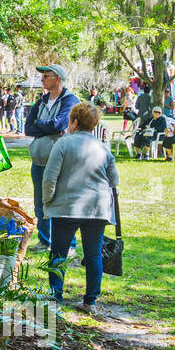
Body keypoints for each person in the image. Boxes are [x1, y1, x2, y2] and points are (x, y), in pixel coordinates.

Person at [41, 102, 119, 315]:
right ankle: (90, 300)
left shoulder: (63, 144)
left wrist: (47, 201)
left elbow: (50, 177)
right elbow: (114, 180)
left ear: (74, 122)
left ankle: (55, 296)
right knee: (94, 254)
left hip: (67, 206)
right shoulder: (103, 148)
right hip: (97, 207)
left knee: (58, 253)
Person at [25, 64, 80, 250]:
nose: (42, 79)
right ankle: (45, 241)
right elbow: (28, 128)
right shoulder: (41, 101)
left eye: (46, 76)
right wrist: (46, 127)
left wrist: (41, 126)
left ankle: (68, 245)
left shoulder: (70, 100)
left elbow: (59, 124)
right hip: (38, 161)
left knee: (62, 202)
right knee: (40, 203)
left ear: (57, 79)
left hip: (60, 161)